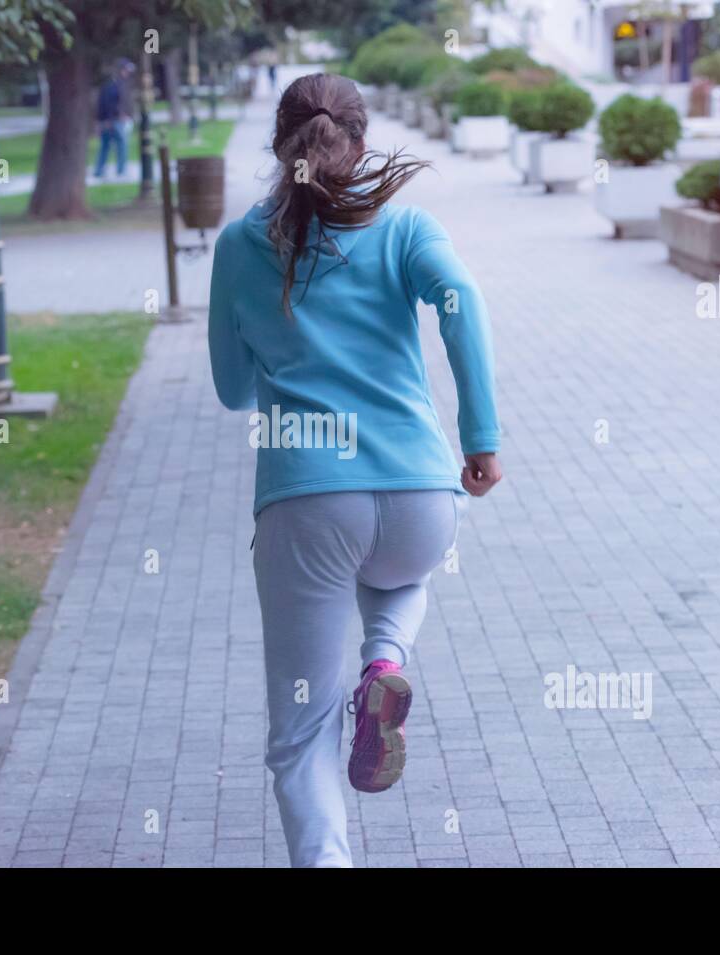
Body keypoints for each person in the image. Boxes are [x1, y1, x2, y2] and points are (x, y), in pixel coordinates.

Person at [207, 73, 503, 868]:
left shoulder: (240, 246)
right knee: (405, 566)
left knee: (300, 737)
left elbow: (234, 391)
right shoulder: (405, 229)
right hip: (420, 499)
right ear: (362, 145)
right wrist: (481, 438)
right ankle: (383, 662)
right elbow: (460, 299)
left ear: (279, 150)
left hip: (306, 503)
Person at [93, 59, 134, 180]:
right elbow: (108, 103)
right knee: (120, 144)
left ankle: (100, 170)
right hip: (114, 120)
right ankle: (120, 170)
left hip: (109, 119)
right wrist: (116, 116)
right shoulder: (115, 85)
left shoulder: (118, 84)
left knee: (106, 145)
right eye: (126, 70)